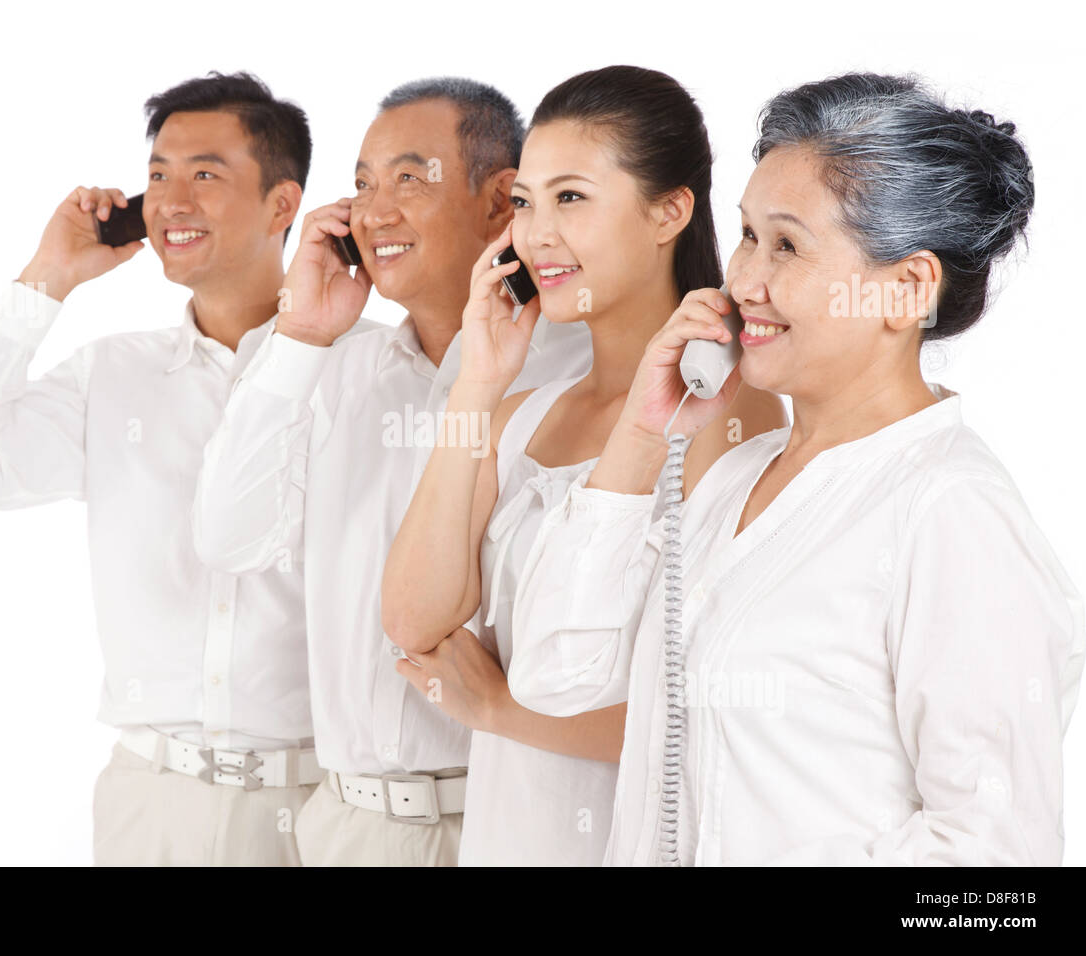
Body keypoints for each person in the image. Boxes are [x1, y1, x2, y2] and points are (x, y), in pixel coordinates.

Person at [508, 72, 1085, 866]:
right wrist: (643, 436)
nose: (741, 281)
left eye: (786, 245)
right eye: (746, 235)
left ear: (907, 288)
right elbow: (552, 673)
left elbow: (992, 873)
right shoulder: (731, 479)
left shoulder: (953, 515)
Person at [0, 71, 343, 866]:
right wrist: (49, 278)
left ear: (284, 205)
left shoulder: (365, 370)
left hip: (325, 805)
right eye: (157, 176)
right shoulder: (112, 377)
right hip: (151, 804)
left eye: (205, 174)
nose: (172, 200)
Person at [380, 66, 787, 866]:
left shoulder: (730, 413)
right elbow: (412, 622)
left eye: (570, 198)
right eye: (525, 202)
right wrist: (478, 380)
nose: (536, 234)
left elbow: (713, 709)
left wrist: (501, 709)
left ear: (670, 210)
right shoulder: (518, 410)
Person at [191, 77, 593, 866]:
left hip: (509, 817)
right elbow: (226, 541)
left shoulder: (586, 377)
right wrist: (303, 332)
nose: (374, 214)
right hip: (344, 825)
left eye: (409, 179)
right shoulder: (329, 371)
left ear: (500, 200)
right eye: (363, 184)